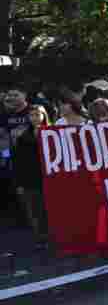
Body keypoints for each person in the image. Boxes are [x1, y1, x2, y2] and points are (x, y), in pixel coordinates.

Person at [12, 104, 48, 247]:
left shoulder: (53, 133)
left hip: (50, 178)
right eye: (31, 115)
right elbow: (19, 162)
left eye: (37, 114)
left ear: (44, 115)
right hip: (31, 180)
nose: (34, 118)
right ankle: (41, 238)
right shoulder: (23, 137)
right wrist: (19, 184)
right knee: (35, 211)